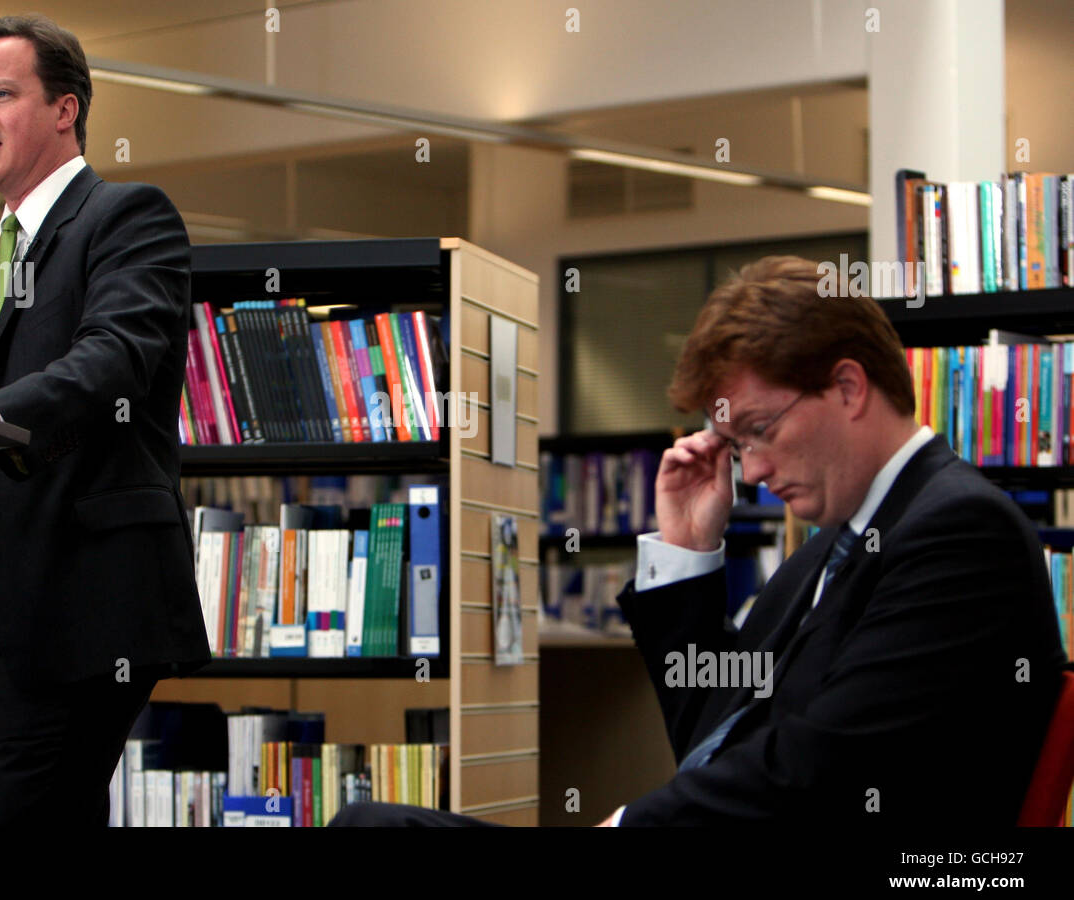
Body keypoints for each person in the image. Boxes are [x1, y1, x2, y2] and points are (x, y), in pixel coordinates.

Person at [330, 254, 1066, 826]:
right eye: (736, 443)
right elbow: (713, 742)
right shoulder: (829, 548)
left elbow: (820, 772)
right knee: (370, 822)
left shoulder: (959, 531)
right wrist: (685, 553)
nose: (753, 469)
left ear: (847, 387)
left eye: (760, 430)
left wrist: (630, 826)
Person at [0, 14, 211, 825]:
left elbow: (111, 360)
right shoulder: (0, 262)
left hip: (82, 605)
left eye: (0, 93)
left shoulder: (129, 217)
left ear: (66, 109)